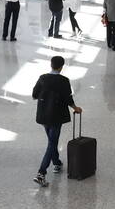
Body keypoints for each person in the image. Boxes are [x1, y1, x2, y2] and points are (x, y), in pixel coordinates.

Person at [31, 55, 80, 186]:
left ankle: (57, 163)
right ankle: (41, 173)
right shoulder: (64, 80)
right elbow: (68, 98)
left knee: (51, 141)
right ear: (61, 67)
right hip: (56, 115)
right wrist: (76, 108)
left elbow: (34, 95)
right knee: (52, 143)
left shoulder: (42, 78)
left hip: (43, 115)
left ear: (51, 65)